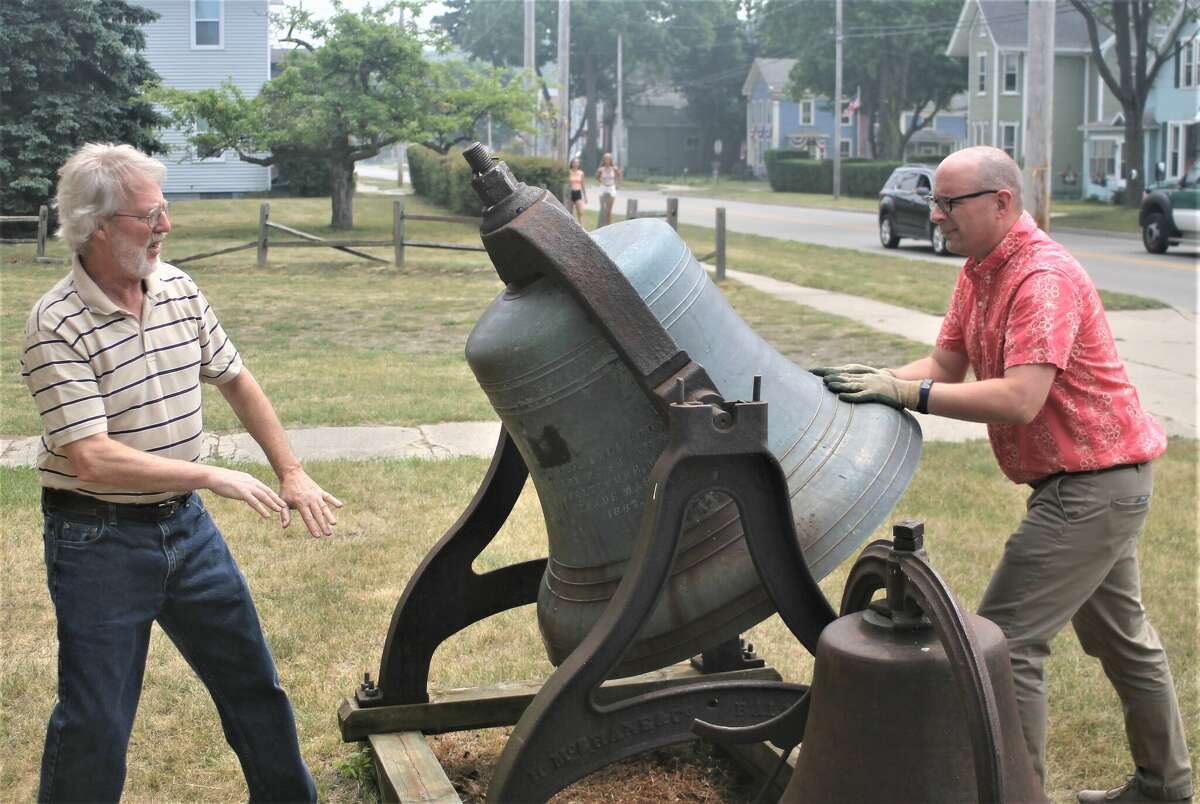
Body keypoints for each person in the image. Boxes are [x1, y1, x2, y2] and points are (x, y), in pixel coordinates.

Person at [813, 146, 1192, 804]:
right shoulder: (979, 271)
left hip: (1093, 487)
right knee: (1123, 643)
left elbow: (1020, 397)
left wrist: (907, 397)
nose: (935, 216)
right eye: (933, 202)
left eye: (948, 203)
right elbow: (945, 362)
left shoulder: (1040, 277)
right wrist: (868, 384)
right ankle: (1166, 789)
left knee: (1005, 644)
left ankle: (1022, 796)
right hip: (1094, 482)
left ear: (1001, 203)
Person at [21, 143, 344, 803]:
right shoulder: (55, 325)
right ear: (98, 226)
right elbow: (91, 455)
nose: (166, 225)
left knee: (254, 686)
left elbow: (236, 378)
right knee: (97, 721)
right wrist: (209, 476)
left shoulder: (178, 289)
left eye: (164, 209)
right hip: (98, 540)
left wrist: (292, 471)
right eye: (149, 215)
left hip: (186, 532)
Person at [596, 151, 621, 227]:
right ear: (603, 160)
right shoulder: (601, 169)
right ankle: (601, 225)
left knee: (609, 210)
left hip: (611, 188)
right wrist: (602, 181)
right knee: (603, 209)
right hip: (603, 188)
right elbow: (597, 177)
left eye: (608, 158)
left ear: (611, 160)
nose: (607, 160)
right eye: (605, 159)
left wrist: (616, 184)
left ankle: (610, 226)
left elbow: (619, 176)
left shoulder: (614, 168)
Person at [568, 157, 587, 225]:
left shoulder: (581, 173)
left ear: (579, 164)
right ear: (572, 164)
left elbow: (583, 185)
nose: (575, 164)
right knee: (570, 213)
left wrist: (585, 196)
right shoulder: (569, 172)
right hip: (570, 193)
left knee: (580, 212)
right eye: (574, 162)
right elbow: (567, 184)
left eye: (577, 163)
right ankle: (571, 227)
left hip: (578, 192)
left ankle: (582, 228)